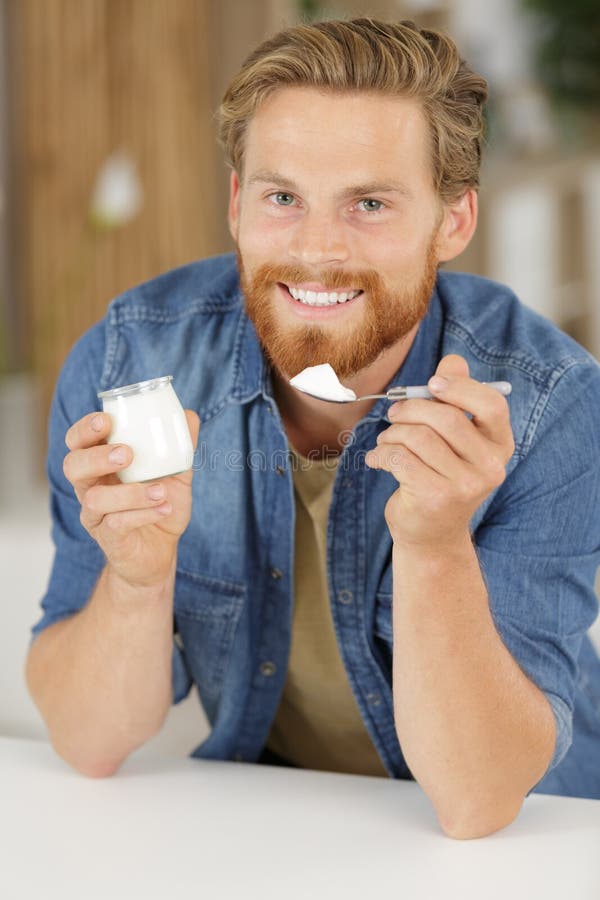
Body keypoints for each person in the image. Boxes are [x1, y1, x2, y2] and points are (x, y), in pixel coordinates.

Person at [25, 18, 600, 840]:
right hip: (276, 831)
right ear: (236, 203)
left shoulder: (551, 405)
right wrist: (137, 579)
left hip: (539, 845)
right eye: (282, 198)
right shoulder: (130, 361)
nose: (316, 251)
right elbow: (87, 741)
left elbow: (478, 805)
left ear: (454, 221)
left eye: (369, 203)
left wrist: (436, 546)